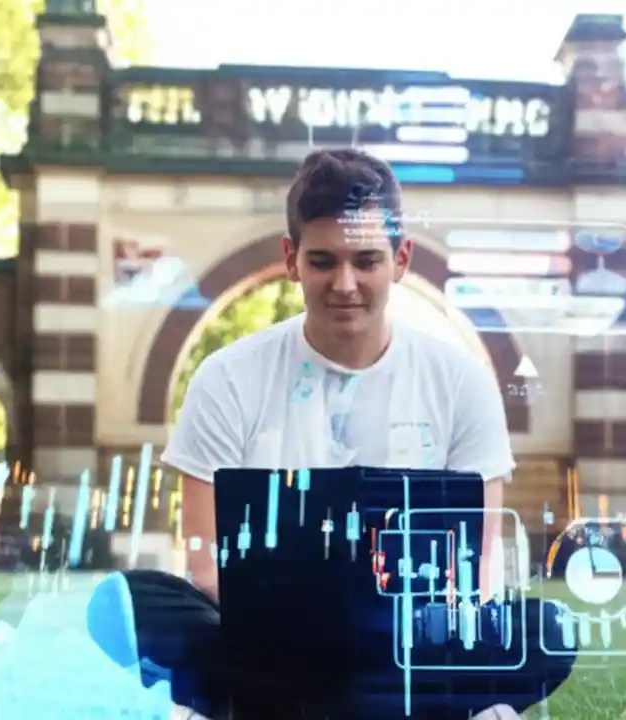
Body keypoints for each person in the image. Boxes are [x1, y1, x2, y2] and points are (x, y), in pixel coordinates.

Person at [127, 148, 571, 719]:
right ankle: (376, 705)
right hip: (272, 642)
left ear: (400, 260)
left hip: (408, 640)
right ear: (291, 259)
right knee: (140, 605)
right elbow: (206, 567)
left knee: (546, 631)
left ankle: (296, 704)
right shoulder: (226, 377)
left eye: (366, 261)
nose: (345, 284)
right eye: (322, 261)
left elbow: (475, 571)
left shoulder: (461, 381)